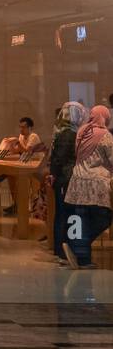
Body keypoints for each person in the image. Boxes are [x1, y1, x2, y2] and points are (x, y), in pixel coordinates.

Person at [63, 104, 113, 269]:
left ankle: (82, 258)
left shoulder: (82, 131)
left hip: (77, 181)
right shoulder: (105, 135)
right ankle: (77, 248)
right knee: (103, 218)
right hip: (95, 183)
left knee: (81, 219)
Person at [42, 102, 85, 264]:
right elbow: (60, 159)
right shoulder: (69, 134)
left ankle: (60, 249)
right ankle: (63, 251)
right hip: (67, 179)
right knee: (66, 214)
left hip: (62, 178)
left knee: (62, 214)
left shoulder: (61, 131)